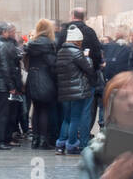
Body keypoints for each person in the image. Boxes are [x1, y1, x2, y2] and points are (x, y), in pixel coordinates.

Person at [56, 8, 103, 145]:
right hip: (85, 81)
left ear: (72, 16)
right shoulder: (89, 32)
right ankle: (80, 142)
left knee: (68, 116)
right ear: (84, 17)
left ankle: (62, 142)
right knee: (84, 113)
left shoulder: (63, 33)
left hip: (65, 81)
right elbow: (97, 56)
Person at [55, 25, 94, 155]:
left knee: (66, 118)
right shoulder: (77, 52)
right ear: (78, 41)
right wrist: (87, 58)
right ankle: (71, 145)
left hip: (64, 90)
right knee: (75, 118)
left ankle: (60, 144)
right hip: (77, 90)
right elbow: (88, 69)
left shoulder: (60, 52)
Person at [24, 19, 59, 149]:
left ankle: (35, 140)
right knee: (44, 110)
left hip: (32, 79)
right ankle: (43, 141)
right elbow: (52, 64)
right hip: (45, 79)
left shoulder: (31, 43)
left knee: (36, 109)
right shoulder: (49, 43)